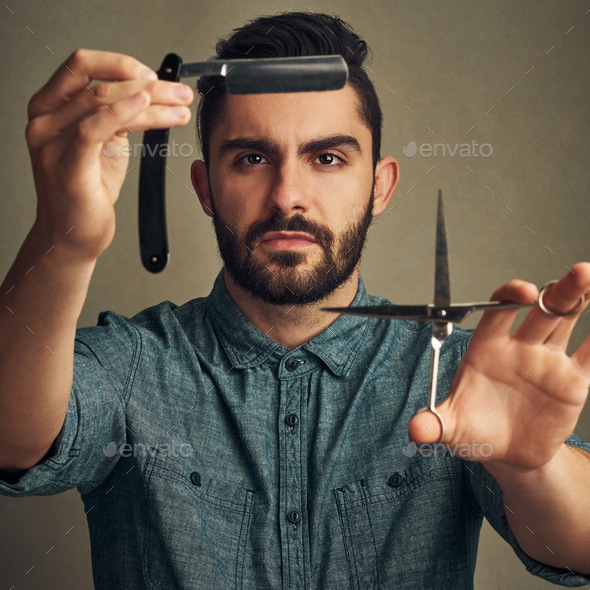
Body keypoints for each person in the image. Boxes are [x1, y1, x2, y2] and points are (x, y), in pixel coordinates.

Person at [1, 11, 589, 590]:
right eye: (252, 158)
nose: (288, 197)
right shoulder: (132, 367)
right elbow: (12, 437)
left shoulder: (457, 377)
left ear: (379, 186)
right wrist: (62, 242)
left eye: (327, 158)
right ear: (205, 187)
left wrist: (530, 467)